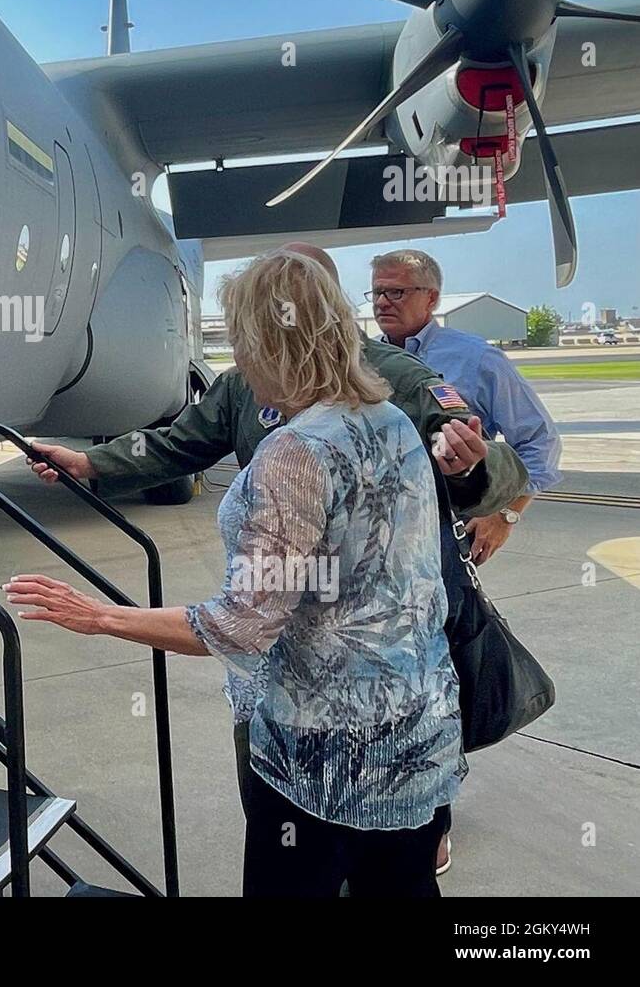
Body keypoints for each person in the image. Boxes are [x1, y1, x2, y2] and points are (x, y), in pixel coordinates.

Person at [28, 242, 523, 877]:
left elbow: (241, 627)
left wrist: (100, 617)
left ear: (269, 340)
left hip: (319, 739)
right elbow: (185, 442)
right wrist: (95, 462)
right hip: (412, 726)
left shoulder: (316, 437)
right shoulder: (386, 416)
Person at [369, 248, 562, 565]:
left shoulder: (476, 358)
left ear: (431, 299)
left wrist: (505, 513)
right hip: (376, 536)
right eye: (378, 291)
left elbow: (540, 440)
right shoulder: (363, 360)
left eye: (396, 292)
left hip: (445, 533)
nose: (382, 302)